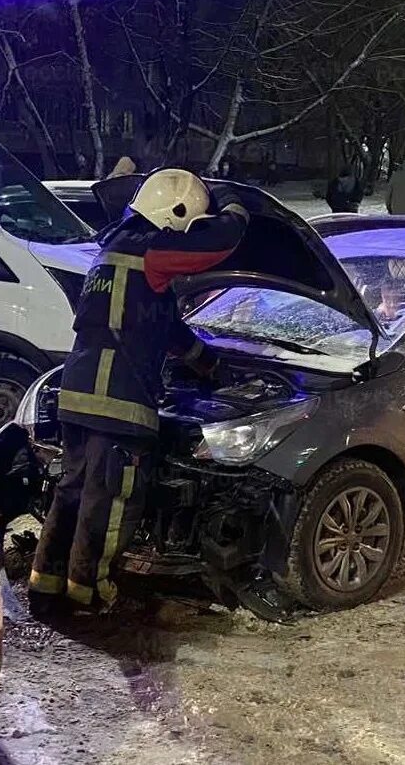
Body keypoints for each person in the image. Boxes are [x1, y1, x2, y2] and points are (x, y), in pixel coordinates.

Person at [28, 169, 248, 613]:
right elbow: (220, 244)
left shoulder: (114, 248)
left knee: (73, 492)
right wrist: (233, 203)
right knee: (109, 501)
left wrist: (209, 363)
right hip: (118, 400)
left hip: (78, 391)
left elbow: (160, 326)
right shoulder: (152, 249)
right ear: (176, 216)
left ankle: (46, 585)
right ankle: (90, 592)